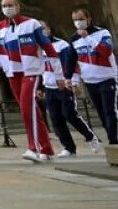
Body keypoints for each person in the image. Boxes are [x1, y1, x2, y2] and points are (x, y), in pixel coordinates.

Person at [0, 0, 63, 163]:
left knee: (26, 109)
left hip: (30, 72)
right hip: (12, 73)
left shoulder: (32, 24)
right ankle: (47, 149)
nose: (7, 8)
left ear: (18, 6)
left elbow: (48, 48)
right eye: (4, 6)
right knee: (32, 111)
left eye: (10, 5)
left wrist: (59, 75)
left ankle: (33, 147)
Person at [38, 20, 100, 157]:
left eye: (43, 28)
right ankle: (69, 147)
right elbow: (38, 68)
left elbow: (72, 63)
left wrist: (73, 82)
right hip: (49, 87)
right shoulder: (37, 48)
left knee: (70, 114)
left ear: (48, 28)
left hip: (64, 86)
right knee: (56, 119)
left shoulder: (61, 45)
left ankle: (90, 136)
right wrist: (39, 87)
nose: (41, 31)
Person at [70, 7, 117, 146]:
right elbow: (72, 61)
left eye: (81, 19)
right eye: (75, 20)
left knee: (110, 111)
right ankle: (111, 137)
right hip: (90, 81)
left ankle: (114, 140)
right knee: (102, 113)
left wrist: (88, 38)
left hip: (107, 78)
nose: (78, 22)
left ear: (88, 19)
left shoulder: (103, 33)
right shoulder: (73, 38)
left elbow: (106, 52)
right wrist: (74, 80)